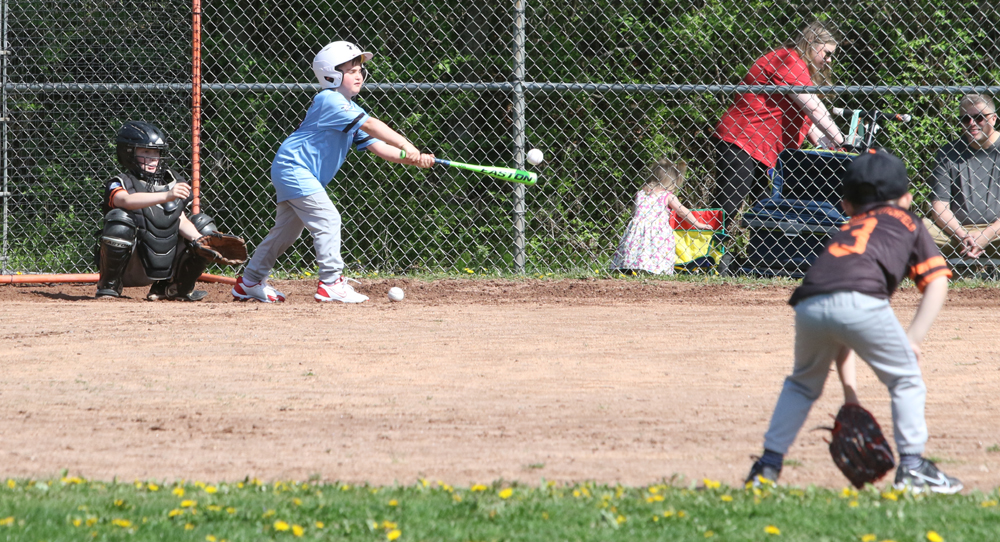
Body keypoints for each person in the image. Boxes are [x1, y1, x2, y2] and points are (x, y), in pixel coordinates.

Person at [745, 149, 962, 494]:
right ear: (906, 198)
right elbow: (937, 282)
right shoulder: (908, 222)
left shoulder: (846, 229)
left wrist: (850, 394)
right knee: (906, 379)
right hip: (862, 300)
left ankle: (767, 466)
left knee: (802, 385)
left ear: (846, 205)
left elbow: (839, 327)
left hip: (810, 301)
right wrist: (913, 339)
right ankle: (912, 468)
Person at [231, 41, 435, 303]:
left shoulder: (351, 111)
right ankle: (330, 283)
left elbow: (381, 148)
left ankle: (249, 282)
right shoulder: (330, 100)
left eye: (360, 70)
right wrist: (408, 144)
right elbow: (373, 125)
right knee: (328, 219)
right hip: (295, 168)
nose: (359, 74)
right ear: (331, 74)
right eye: (351, 71)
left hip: (292, 170)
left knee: (285, 233)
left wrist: (414, 158)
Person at [712, 21, 847, 224]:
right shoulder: (788, 61)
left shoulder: (800, 69)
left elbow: (809, 123)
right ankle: (702, 250)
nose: (829, 60)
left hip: (766, 152)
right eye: (827, 53)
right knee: (727, 207)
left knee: (769, 213)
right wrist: (844, 142)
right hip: (743, 140)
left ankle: (756, 254)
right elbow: (815, 108)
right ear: (811, 42)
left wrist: (837, 147)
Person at [96, 120, 221, 301]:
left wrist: (202, 242)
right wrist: (166, 196)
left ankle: (174, 287)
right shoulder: (120, 182)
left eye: (155, 153)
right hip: (132, 266)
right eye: (145, 152)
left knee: (203, 226)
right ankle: (110, 285)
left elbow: (181, 220)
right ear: (129, 153)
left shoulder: (172, 180)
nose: (152, 158)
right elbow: (125, 200)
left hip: (166, 262)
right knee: (119, 219)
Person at [925, 94, 1000, 260]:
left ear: (993, 119)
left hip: (997, 232)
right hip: (956, 233)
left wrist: (985, 236)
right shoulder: (948, 153)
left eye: (979, 118)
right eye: (966, 119)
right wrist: (962, 236)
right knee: (916, 228)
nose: (972, 124)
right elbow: (939, 207)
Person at [609, 159, 713, 275]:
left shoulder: (641, 194)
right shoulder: (667, 196)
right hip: (657, 233)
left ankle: (631, 268)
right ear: (671, 183)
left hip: (637, 231)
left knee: (637, 254)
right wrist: (697, 224)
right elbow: (682, 211)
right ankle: (654, 272)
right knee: (655, 255)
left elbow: (635, 212)